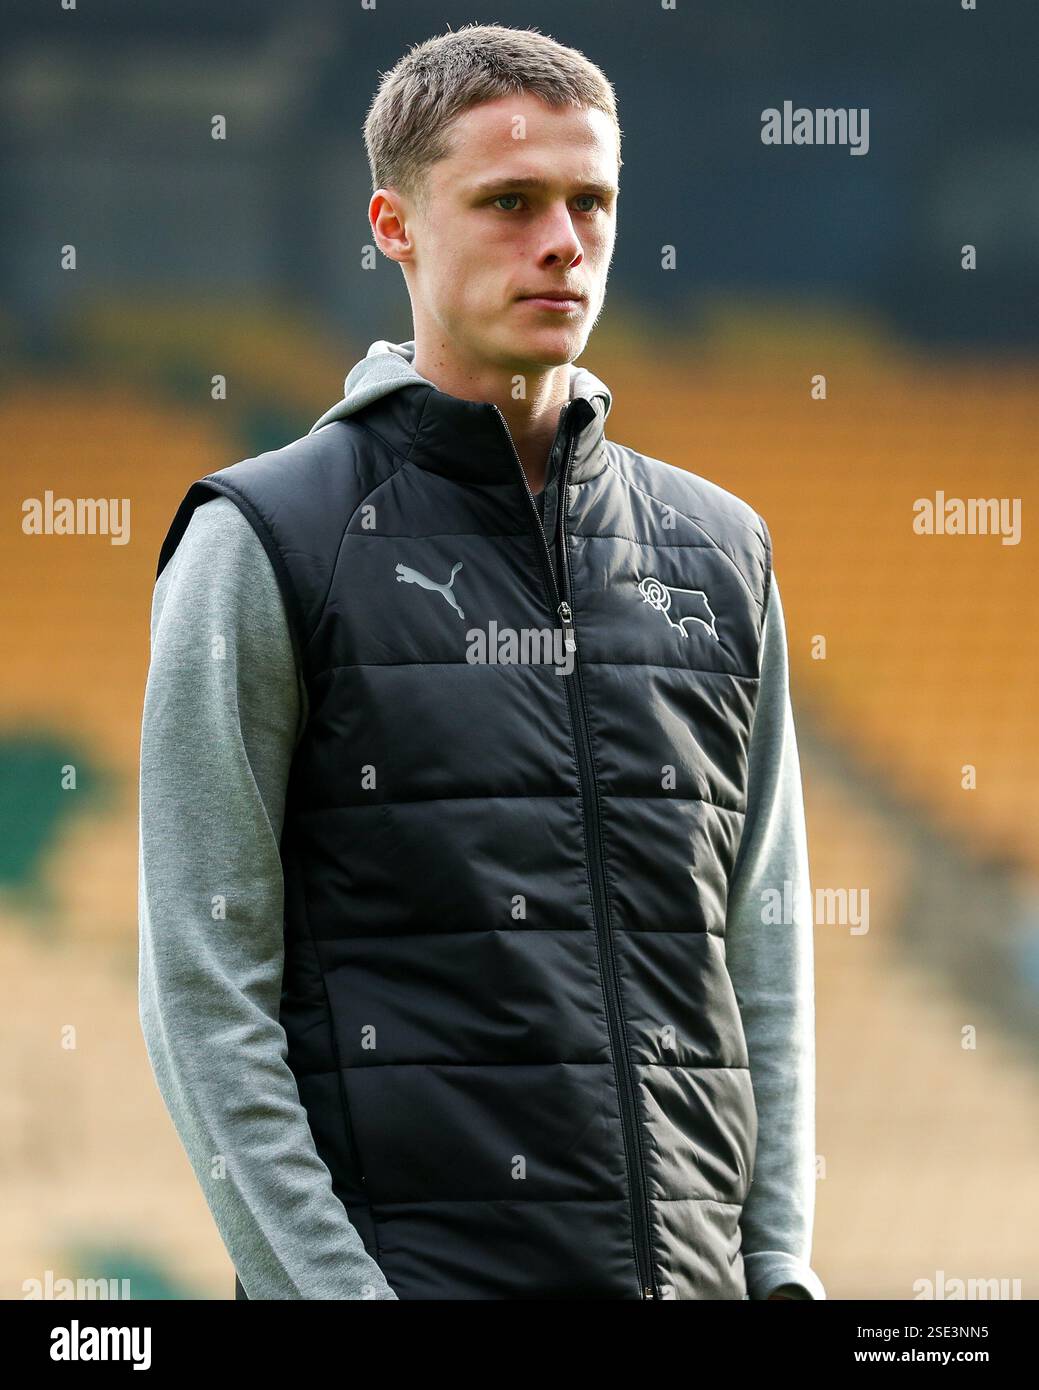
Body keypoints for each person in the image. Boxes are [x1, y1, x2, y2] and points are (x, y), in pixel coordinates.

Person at [138, 22, 825, 1302]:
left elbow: (762, 955)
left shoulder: (724, 551)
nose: (562, 241)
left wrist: (777, 1263)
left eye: (591, 201)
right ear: (394, 226)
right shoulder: (263, 541)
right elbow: (201, 994)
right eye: (509, 202)